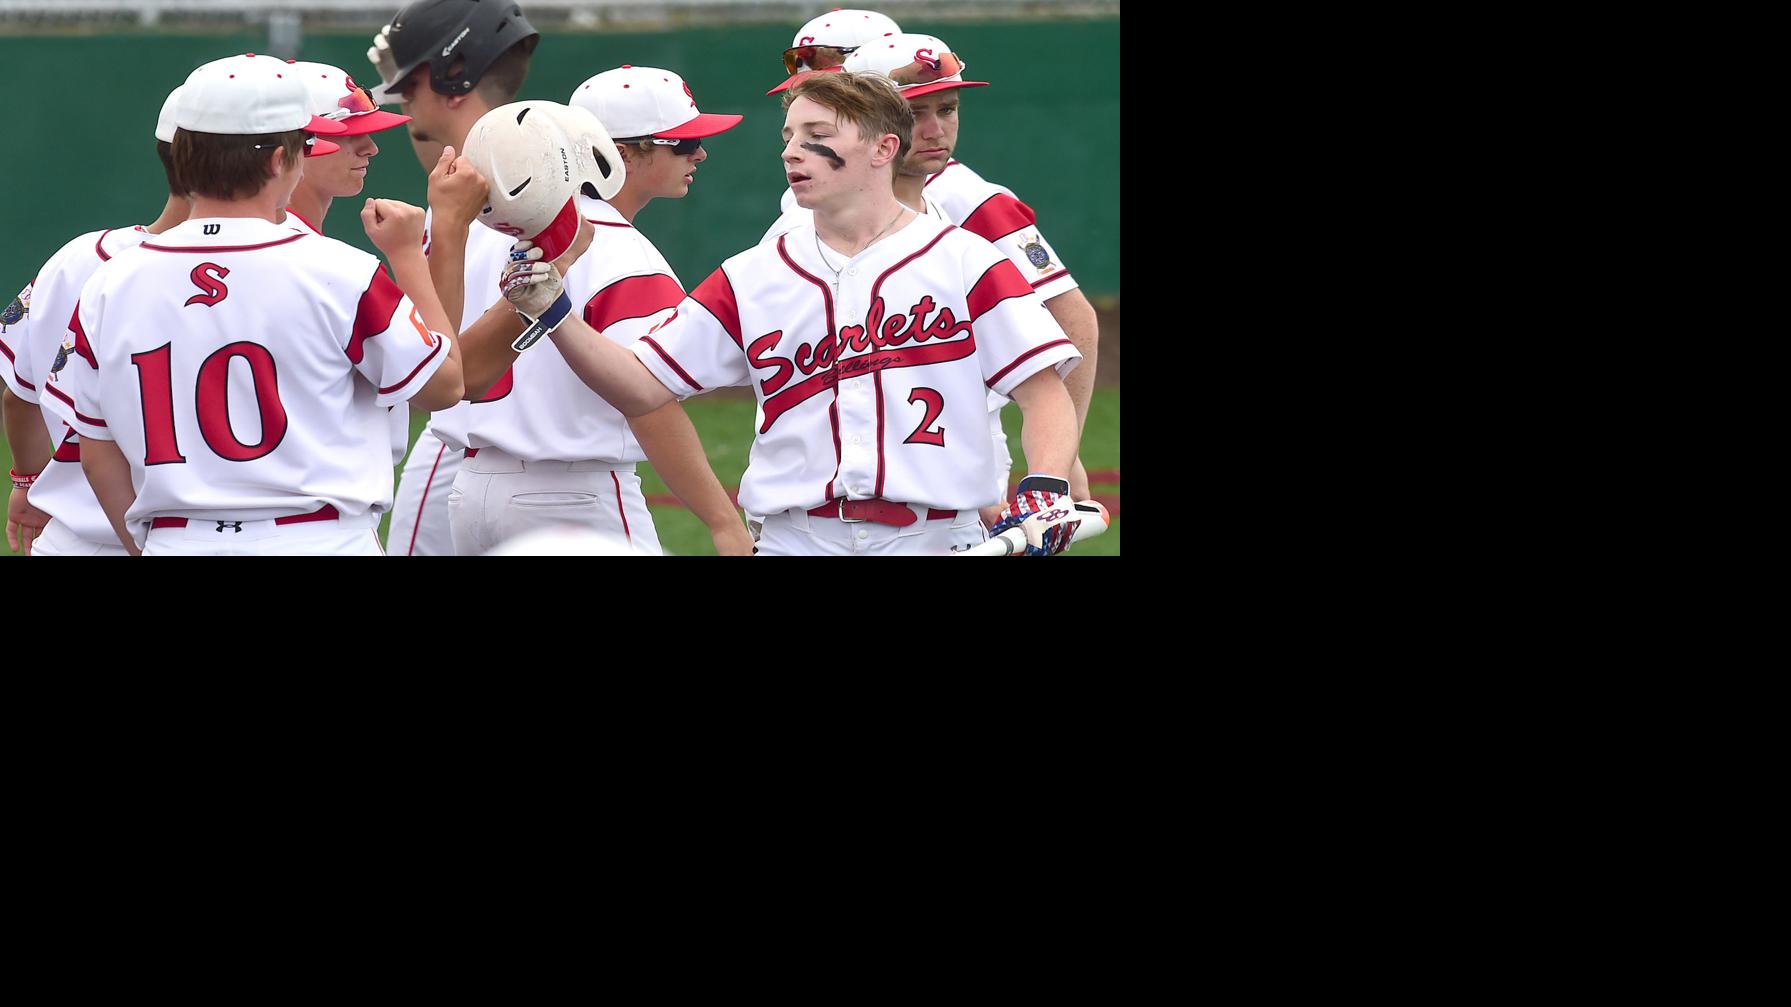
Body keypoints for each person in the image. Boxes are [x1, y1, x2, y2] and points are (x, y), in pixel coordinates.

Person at [504, 70, 1084, 555]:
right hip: (796, 539)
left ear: (884, 148)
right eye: (788, 135)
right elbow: (640, 387)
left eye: (817, 134)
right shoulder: (750, 274)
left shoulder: (966, 260)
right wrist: (556, 314)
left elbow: (1043, 391)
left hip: (936, 537)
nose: (789, 150)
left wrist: (1046, 485)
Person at [40, 52, 464, 556]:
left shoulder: (111, 280)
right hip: (318, 538)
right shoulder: (340, 271)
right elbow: (444, 386)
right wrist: (408, 256)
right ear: (281, 160)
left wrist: (147, 547)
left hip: (180, 539)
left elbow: (96, 448)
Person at [766, 21, 1104, 514]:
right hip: (835, 490)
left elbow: (1071, 318)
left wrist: (1056, 461)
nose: (935, 128)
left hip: (937, 470)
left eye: (945, 109)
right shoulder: (805, 215)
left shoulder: (961, 198)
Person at [440, 68, 752, 555]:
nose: (700, 153)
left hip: (471, 491)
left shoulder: (477, 231)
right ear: (620, 154)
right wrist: (722, 520)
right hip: (575, 499)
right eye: (682, 143)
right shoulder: (623, 250)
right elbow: (648, 402)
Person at [368, 0, 541, 555]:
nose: (401, 96)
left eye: (411, 81)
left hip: (469, 442)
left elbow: (436, 376)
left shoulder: (472, 205)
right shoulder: (543, 173)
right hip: (547, 456)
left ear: (453, 75)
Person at [1, 85, 192, 556]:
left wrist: (28, 481)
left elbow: (16, 397)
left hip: (76, 536)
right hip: (207, 536)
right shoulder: (273, 271)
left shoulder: (81, 258)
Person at [279, 61, 417, 472]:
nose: (371, 148)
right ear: (296, 143)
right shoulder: (331, 267)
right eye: (349, 135)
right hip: (321, 508)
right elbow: (443, 383)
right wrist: (410, 253)